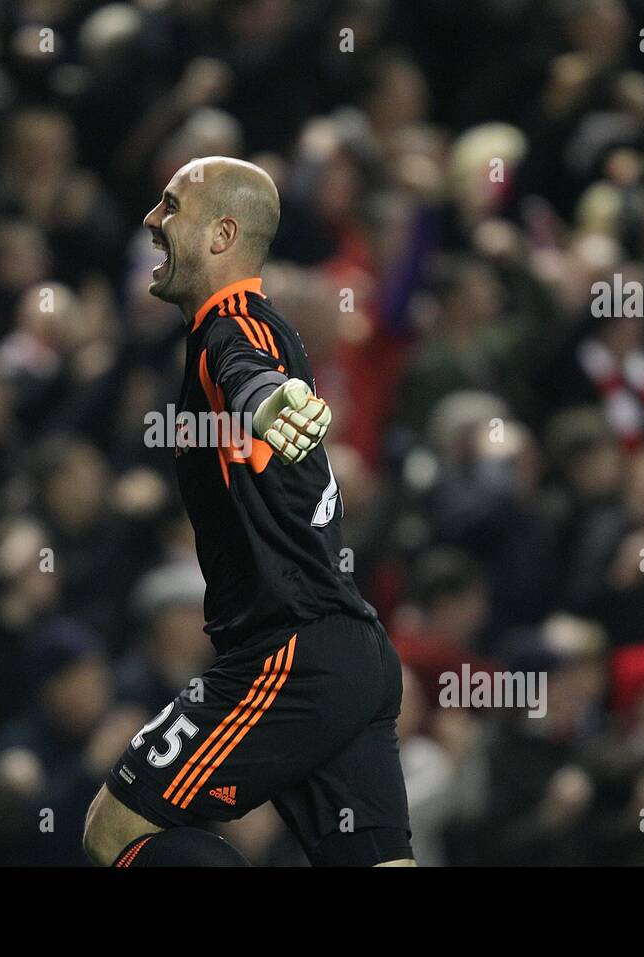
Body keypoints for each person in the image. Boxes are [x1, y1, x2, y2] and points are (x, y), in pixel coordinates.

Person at [82, 156, 413, 867]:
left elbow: (248, 368)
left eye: (170, 206)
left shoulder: (233, 323)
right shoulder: (245, 330)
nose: (151, 220)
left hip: (288, 651)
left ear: (222, 233)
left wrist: (265, 400)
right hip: (351, 650)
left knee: (115, 830)